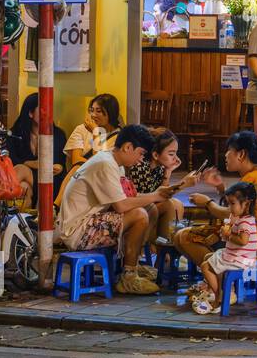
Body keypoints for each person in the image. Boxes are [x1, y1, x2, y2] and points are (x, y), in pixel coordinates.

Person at [54, 124, 171, 295]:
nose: (140, 160)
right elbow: (121, 205)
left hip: (91, 220)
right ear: (127, 147)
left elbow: (130, 198)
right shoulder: (105, 164)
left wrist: (155, 195)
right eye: (141, 153)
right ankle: (128, 277)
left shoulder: (115, 163)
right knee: (139, 214)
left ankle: (132, 265)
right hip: (77, 230)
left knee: (150, 209)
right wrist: (156, 195)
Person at [184, 130, 257, 277]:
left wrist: (207, 203)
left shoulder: (252, 179)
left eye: (229, 151)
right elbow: (240, 208)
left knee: (184, 236)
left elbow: (232, 213)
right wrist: (221, 188)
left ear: (241, 154)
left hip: (246, 243)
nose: (225, 155)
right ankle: (216, 276)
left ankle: (223, 281)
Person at [190, 180, 257, 315]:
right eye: (228, 203)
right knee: (209, 257)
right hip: (236, 256)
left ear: (247, 204)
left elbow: (243, 241)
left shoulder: (245, 222)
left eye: (232, 203)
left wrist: (228, 235)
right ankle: (216, 289)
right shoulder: (240, 218)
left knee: (205, 266)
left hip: (240, 259)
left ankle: (219, 296)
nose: (230, 207)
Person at [125, 128, 185, 246]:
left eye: (176, 153)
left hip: (150, 205)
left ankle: (166, 250)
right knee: (169, 205)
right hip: (136, 207)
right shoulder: (140, 167)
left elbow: (162, 194)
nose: (175, 158)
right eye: (171, 154)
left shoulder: (159, 168)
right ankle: (161, 248)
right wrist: (185, 183)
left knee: (177, 204)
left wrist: (168, 172)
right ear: (156, 155)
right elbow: (154, 198)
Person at [5, 92, 67, 201]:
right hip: (28, 179)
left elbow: (61, 163)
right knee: (24, 186)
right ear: (30, 113)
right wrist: (31, 164)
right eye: (43, 109)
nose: (47, 113)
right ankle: (25, 217)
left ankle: (0, 198)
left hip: (51, 179)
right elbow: (11, 160)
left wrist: (59, 167)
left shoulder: (58, 134)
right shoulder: (15, 133)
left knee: (21, 169)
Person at [64, 94, 121, 169]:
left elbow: (100, 158)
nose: (93, 115)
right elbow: (77, 160)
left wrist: (95, 131)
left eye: (99, 111)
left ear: (111, 113)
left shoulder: (120, 136)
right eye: (91, 110)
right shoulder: (82, 129)